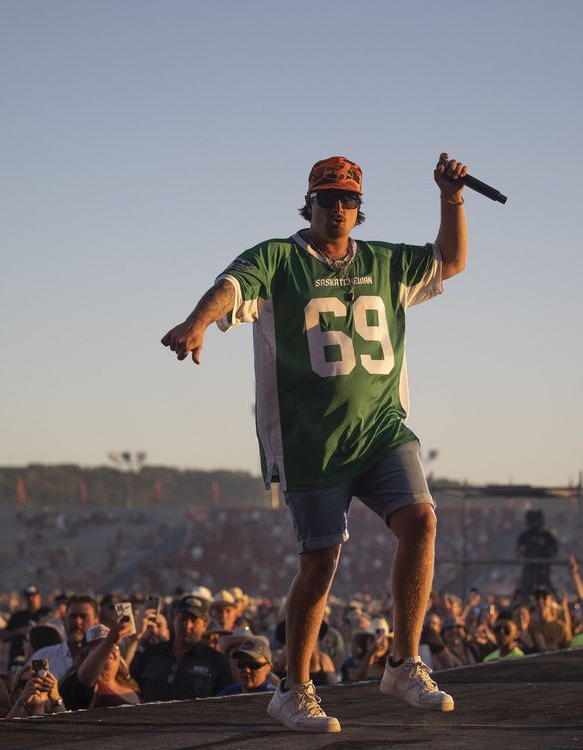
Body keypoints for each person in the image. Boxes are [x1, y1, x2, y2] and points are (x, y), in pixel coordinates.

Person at [161, 153, 468, 732]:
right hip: (311, 444)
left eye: (349, 200)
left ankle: (403, 662)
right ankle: (293, 688)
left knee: (422, 521)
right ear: (311, 203)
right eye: (328, 199)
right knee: (320, 564)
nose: (339, 209)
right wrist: (199, 322)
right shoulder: (279, 257)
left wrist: (452, 198)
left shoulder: (383, 261)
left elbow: (450, 259)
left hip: (381, 428)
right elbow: (230, 286)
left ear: (359, 208)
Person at [129, 595, 233, 701]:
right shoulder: (152, 653)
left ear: (205, 625)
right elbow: (130, 686)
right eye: (183, 618)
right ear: (174, 618)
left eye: (194, 620)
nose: (187, 625)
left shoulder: (217, 662)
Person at [60, 620, 140, 710]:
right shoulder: (84, 684)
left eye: (114, 646)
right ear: (85, 656)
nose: (109, 651)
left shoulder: (128, 683)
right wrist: (108, 642)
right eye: (97, 648)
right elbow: (84, 679)